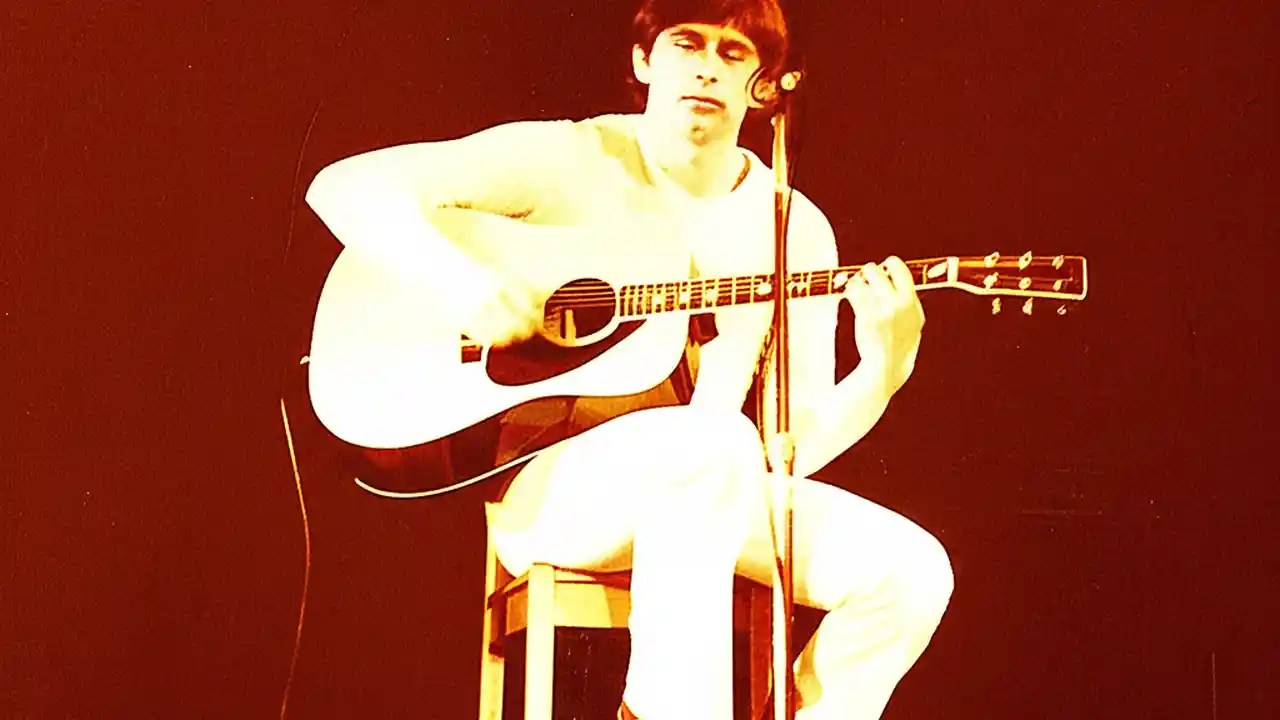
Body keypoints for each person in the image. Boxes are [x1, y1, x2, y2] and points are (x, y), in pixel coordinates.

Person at [305, 1, 953, 717]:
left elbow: (784, 450)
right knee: (710, 443)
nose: (708, 64)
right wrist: (465, 283)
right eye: (687, 42)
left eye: (735, 53)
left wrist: (881, 373)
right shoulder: (572, 159)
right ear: (646, 61)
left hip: (708, 477)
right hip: (558, 492)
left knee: (911, 571)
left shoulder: (793, 227)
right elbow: (345, 186)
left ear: (764, 86)